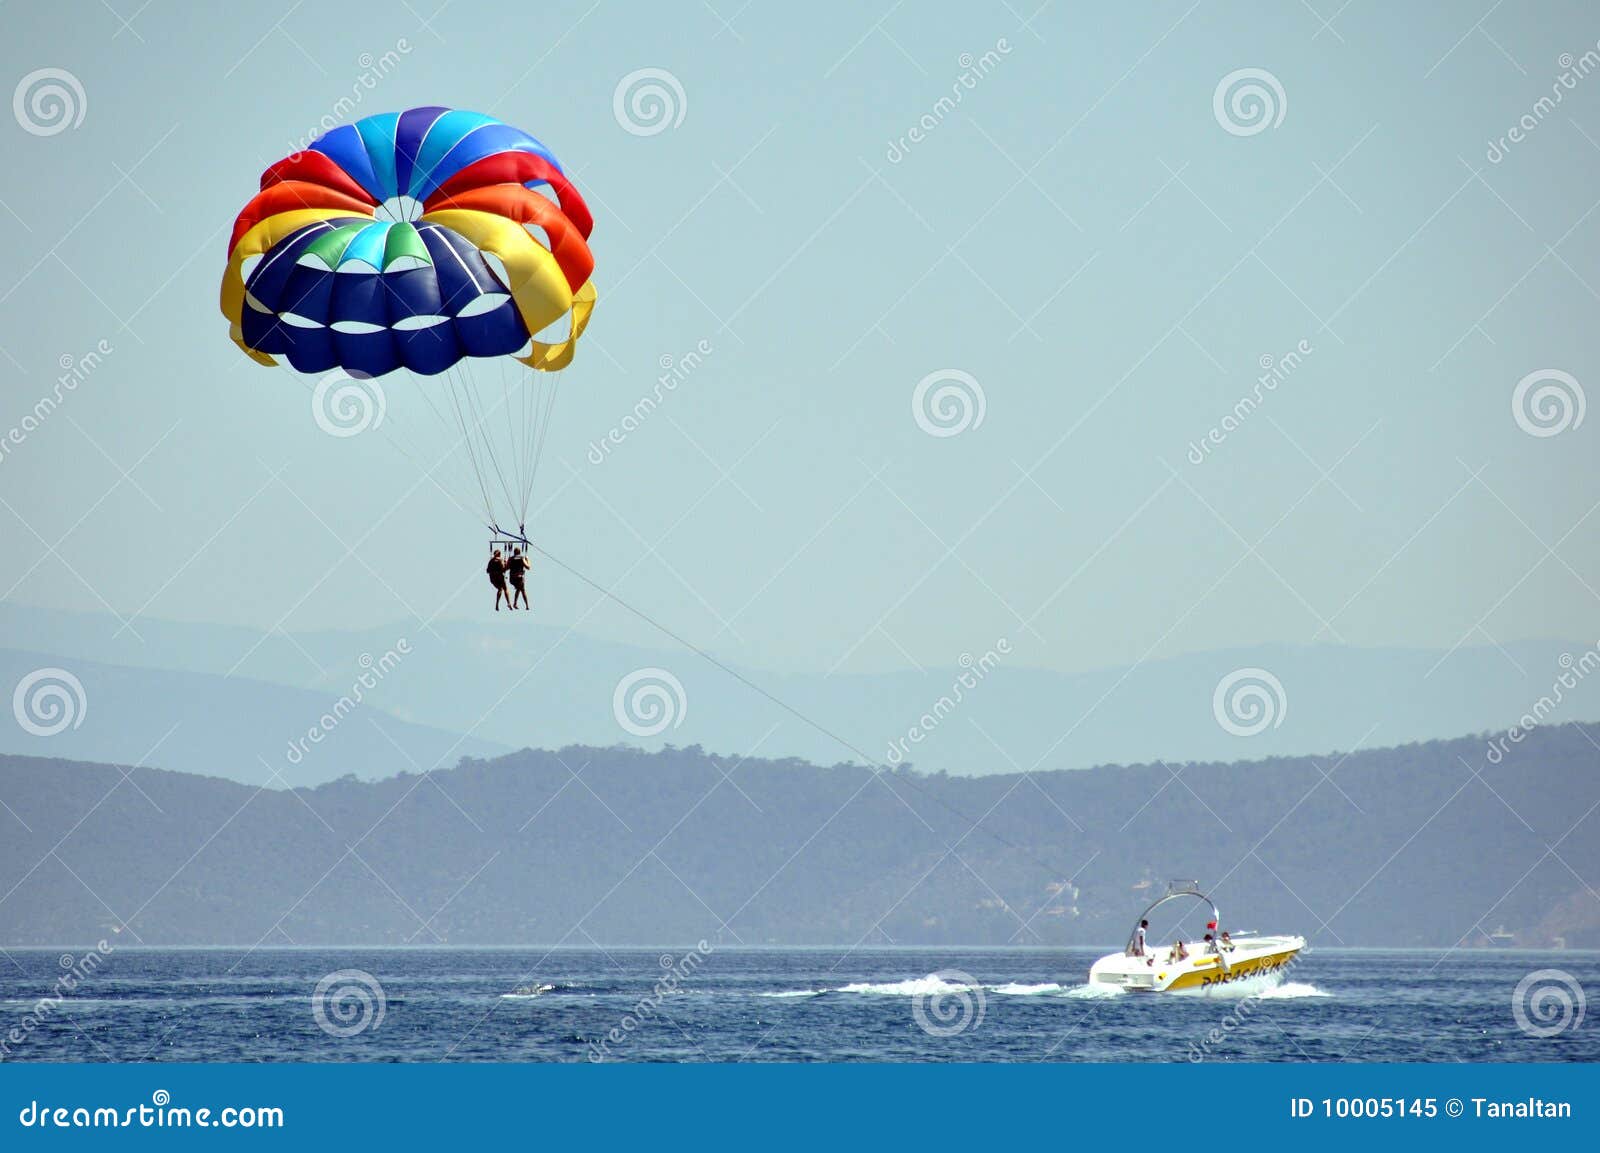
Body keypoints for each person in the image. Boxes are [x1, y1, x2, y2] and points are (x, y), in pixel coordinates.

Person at [507, 546, 530, 610]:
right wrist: (527, 560)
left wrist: (507, 561)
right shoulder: (522, 558)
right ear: (519, 553)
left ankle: (525, 605)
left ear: (514, 553)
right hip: (518, 578)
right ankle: (520, 604)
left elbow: (506, 568)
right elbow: (528, 567)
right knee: (521, 589)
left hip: (512, 579)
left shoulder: (511, 558)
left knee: (520, 589)